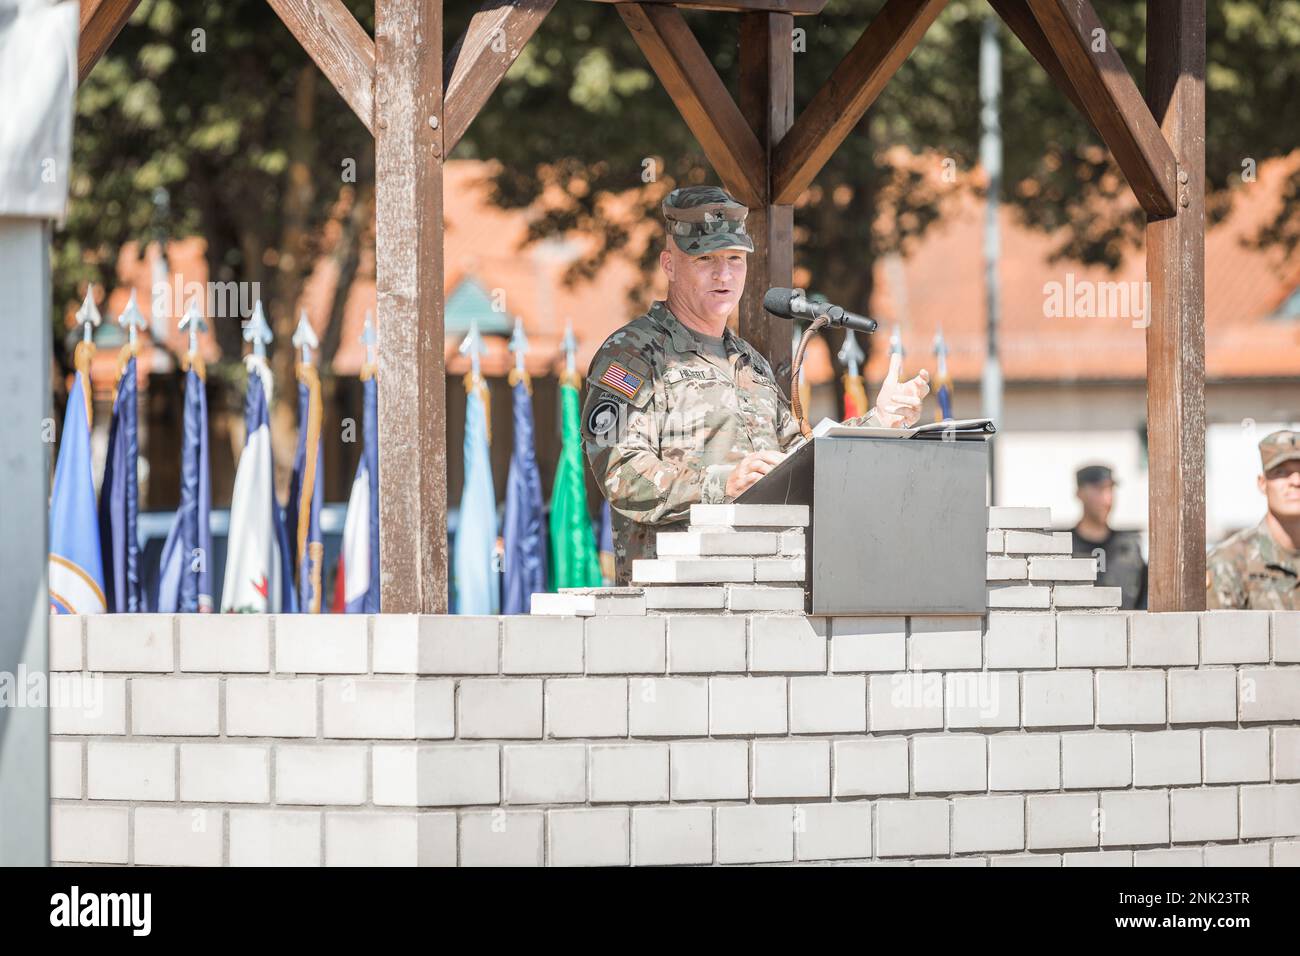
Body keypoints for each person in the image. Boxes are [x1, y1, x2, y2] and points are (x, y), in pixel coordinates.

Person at [581, 184, 931, 584]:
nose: (724, 274)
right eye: (705, 258)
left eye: (734, 258)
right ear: (670, 264)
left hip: (763, 589)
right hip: (676, 599)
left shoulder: (749, 362)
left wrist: (879, 421)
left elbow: (799, 459)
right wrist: (723, 484)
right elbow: (621, 473)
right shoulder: (634, 353)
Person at [1207, 429, 1300, 609]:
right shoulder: (1229, 563)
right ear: (1262, 483)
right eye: (1282, 472)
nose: (1296, 481)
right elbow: (1215, 635)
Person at [1069, 464, 1147, 609]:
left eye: (1110, 489)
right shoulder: (1064, 547)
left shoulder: (1129, 547)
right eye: (1098, 490)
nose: (1107, 500)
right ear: (1079, 493)